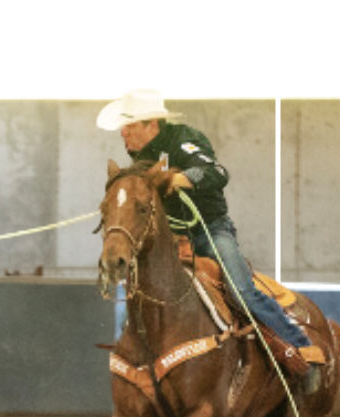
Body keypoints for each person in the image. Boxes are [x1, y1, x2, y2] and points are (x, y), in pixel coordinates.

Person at [98, 89, 320, 392]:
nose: (123, 132)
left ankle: (301, 349)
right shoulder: (139, 155)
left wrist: (179, 178)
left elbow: (217, 172)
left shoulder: (186, 139)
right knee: (144, 289)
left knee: (242, 292)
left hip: (209, 230)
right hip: (172, 238)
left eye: (130, 125)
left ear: (152, 125)